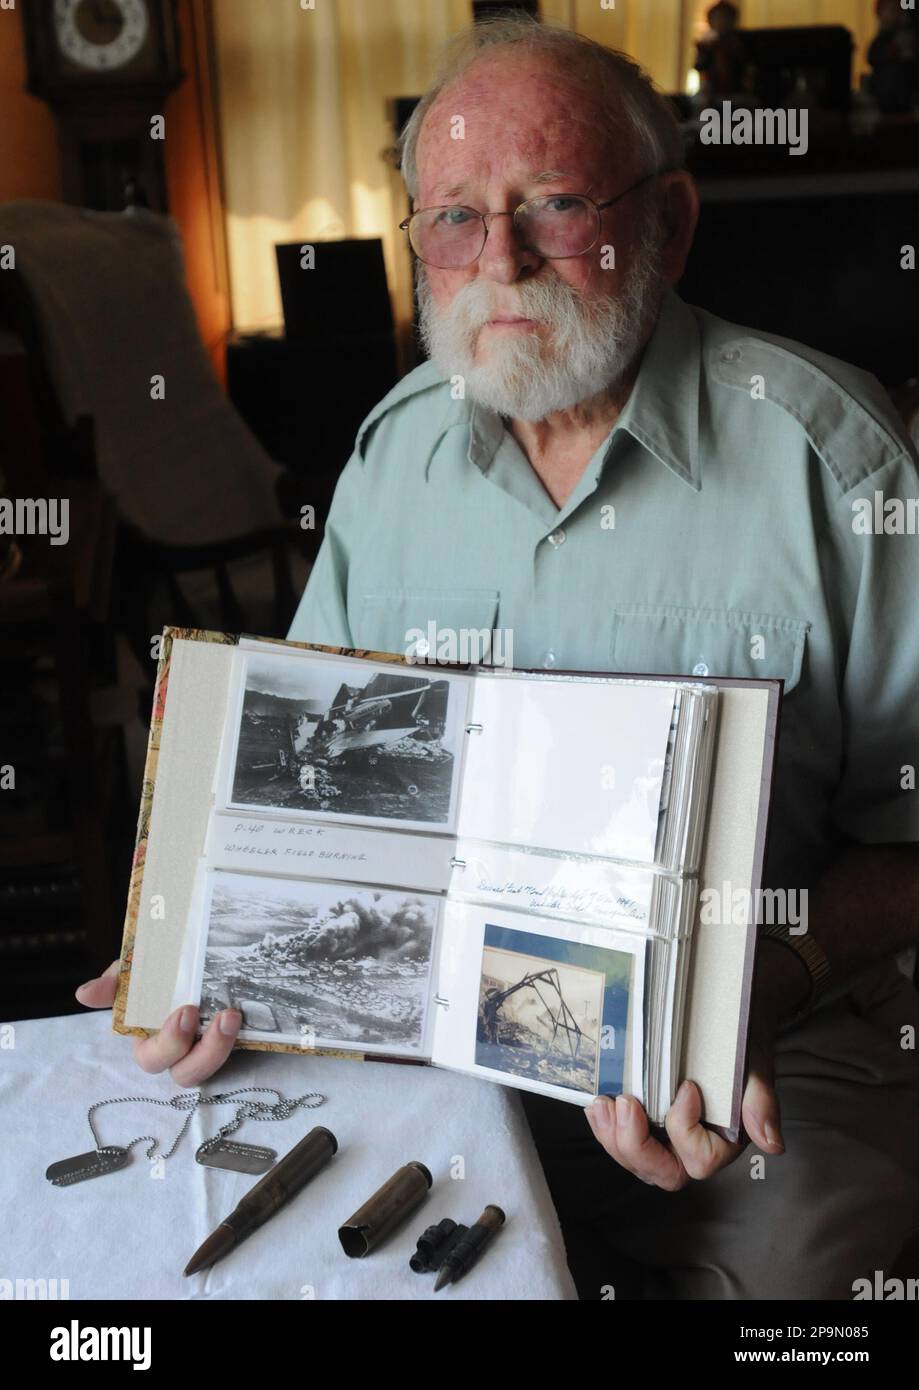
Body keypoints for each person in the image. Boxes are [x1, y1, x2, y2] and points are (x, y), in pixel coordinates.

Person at [80, 13, 919, 1298]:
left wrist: (762, 978)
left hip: (771, 1039)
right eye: (455, 217)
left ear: (671, 222)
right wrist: (195, 946)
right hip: (433, 1033)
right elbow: (286, 777)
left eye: (553, 203)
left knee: (779, 1288)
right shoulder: (393, 450)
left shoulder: (836, 462)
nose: (501, 259)